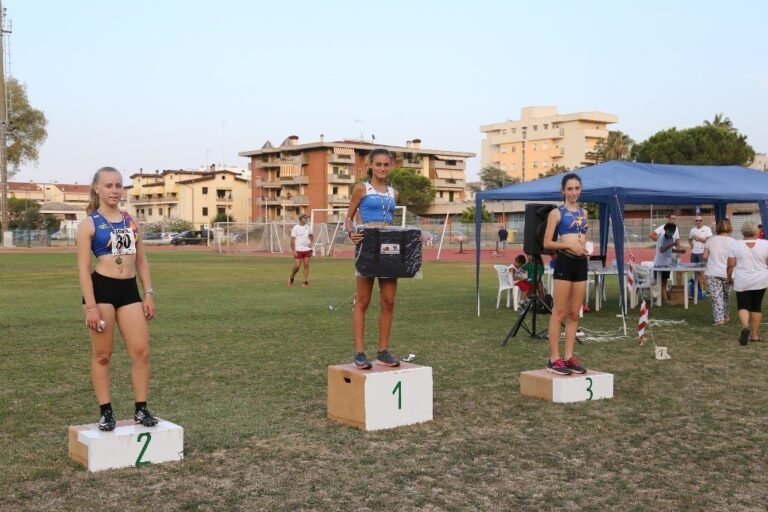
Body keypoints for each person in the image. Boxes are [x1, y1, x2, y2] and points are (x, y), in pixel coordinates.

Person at [76, 167, 157, 432]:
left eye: (118, 185)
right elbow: (83, 270)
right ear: (96, 188)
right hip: (102, 291)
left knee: (141, 351)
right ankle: (105, 412)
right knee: (103, 355)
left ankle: (141, 409)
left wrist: (148, 293)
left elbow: (142, 261)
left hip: (129, 291)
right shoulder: (89, 224)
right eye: (109, 185)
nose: (115, 190)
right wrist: (90, 307)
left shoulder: (131, 221)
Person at [344, 148, 402, 369]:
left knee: (388, 301)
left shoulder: (394, 194)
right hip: (367, 247)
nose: (382, 168)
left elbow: (391, 223)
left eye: (386, 164)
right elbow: (348, 219)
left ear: (390, 166)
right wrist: (351, 233)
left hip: (388, 247)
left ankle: (383, 351)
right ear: (369, 165)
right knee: (363, 300)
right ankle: (359, 352)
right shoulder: (361, 189)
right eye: (378, 164)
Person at [542, 173, 589, 375]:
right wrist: (567, 245)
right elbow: (546, 243)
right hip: (565, 262)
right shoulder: (556, 213)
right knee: (559, 312)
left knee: (573, 312)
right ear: (563, 191)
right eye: (569, 189)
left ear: (581, 189)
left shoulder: (584, 213)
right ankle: (554, 359)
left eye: (577, 188)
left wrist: (583, 247)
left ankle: (569, 357)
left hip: (581, 263)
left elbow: (582, 237)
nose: (573, 192)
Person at [726, 222, 768, 345]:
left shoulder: (735, 245)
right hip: (761, 278)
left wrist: (729, 277)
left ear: (742, 232)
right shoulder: (765, 244)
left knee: (743, 305)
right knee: (756, 306)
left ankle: (745, 327)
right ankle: (755, 335)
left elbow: (730, 265)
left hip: (742, 278)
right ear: (756, 231)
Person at [703, 218, 734, 326]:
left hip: (713, 271)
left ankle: (719, 319)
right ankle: (726, 316)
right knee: (726, 295)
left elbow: (705, 256)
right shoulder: (734, 242)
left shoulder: (710, 240)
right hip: (728, 272)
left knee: (717, 296)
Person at [653, 223, 686, 303]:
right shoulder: (661, 238)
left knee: (664, 282)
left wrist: (679, 251)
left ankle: (664, 299)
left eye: (674, 231)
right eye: (671, 231)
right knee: (660, 283)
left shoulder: (671, 238)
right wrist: (671, 244)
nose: (672, 232)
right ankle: (661, 299)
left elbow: (670, 250)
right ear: (666, 230)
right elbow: (661, 250)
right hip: (659, 264)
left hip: (667, 264)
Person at [689, 216, 713, 295]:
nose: (698, 221)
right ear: (695, 221)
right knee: (696, 272)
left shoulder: (707, 229)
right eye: (697, 220)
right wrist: (691, 246)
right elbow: (690, 239)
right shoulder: (692, 230)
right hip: (694, 253)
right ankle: (700, 289)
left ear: (702, 221)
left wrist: (699, 238)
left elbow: (710, 240)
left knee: (702, 271)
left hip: (702, 252)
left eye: (700, 220)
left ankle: (707, 289)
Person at [289, 214, 313, 288]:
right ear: (300, 219)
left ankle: (305, 281)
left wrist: (311, 242)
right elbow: (292, 240)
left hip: (307, 249)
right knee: (297, 266)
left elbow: (311, 235)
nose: (306, 219)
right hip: (298, 249)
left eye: (307, 218)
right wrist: (293, 250)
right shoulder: (295, 228)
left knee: (306, 265)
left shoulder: (308, 227)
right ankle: (292, 276)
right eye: (305, 218)